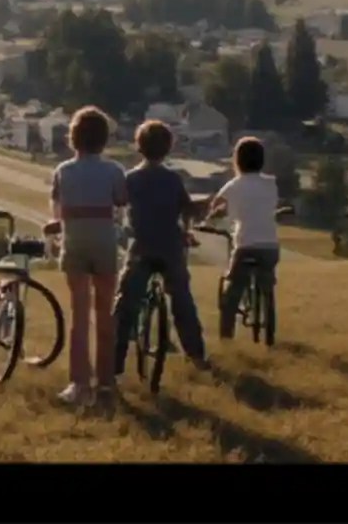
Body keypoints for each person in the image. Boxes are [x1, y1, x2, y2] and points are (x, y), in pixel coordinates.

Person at [113, 120, 208, 378]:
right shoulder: (173, 179)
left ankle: (114, 364)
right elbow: (186, 209)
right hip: (170, 248)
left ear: (138, 146)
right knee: (182, 300)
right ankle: (196, 354)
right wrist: (188, 228)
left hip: (141, 248)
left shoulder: (130, 178)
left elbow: (118, 206)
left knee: (125, 306)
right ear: (168, 149)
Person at [47, 106, 127, 406]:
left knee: (79, 316)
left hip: (75, 242)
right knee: (105, 314)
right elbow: (120, 203)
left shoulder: (63, 171)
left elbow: (57, 210)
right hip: (105, 241)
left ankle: (79, 382)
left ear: (74, 138)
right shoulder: (114, 171)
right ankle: (106, 381)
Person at [207, 136, 280, 339]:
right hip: (270, 246)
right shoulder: (271, 184)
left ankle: (226, 337)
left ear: (237, 161)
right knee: (266, 275)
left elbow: (216, 206)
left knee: (232, 293)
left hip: (246, 244)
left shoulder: (233, 186)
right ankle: (266, 294)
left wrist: (214, 216)